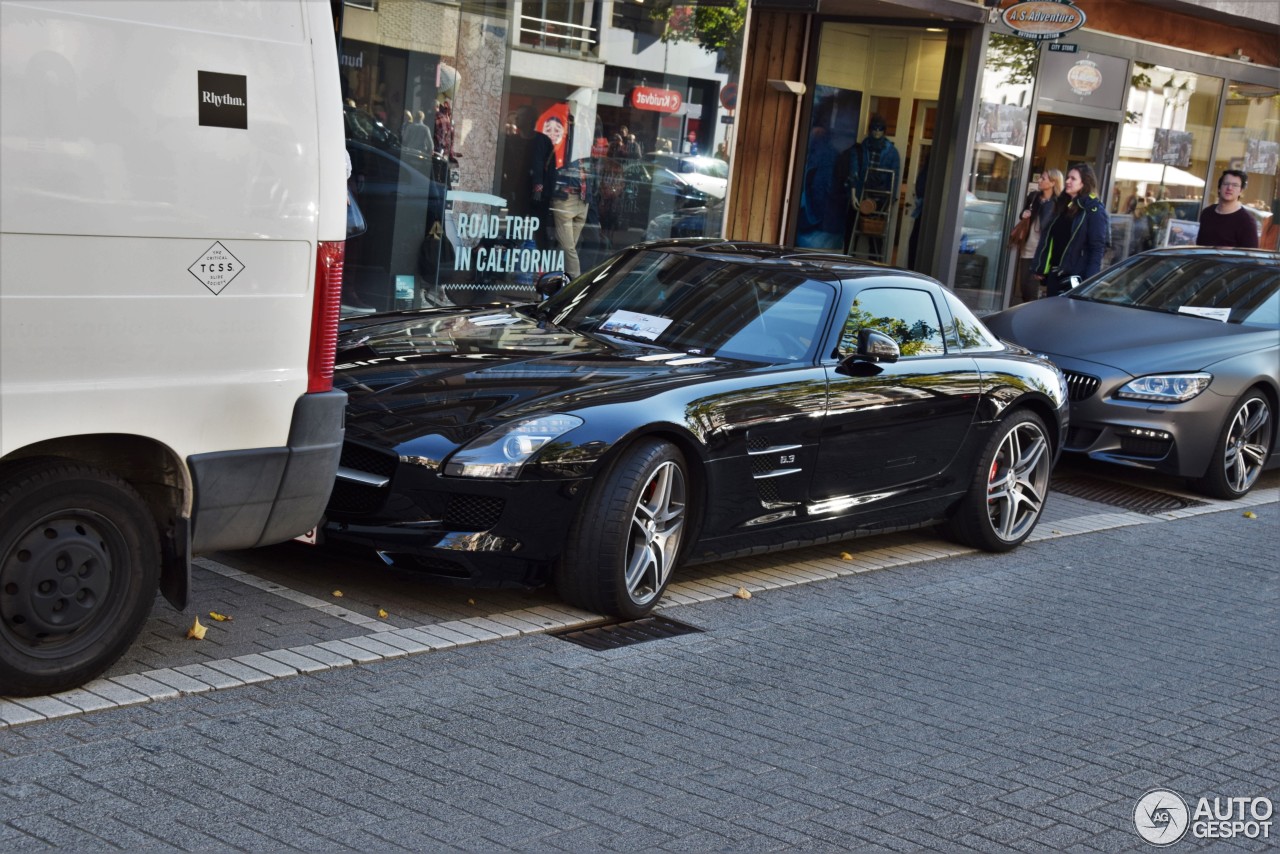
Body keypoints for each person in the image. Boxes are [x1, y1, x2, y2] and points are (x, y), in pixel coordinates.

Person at [1032, 163, 1108, 296]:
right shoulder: (1062, 205)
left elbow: (1097, 248)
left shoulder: (1093, 209)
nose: (1067, 181)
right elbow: (1048, 238)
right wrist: (1040, 266)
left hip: (1076, 277)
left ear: (1084, 182)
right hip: (1055, 273)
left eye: (1073, 179)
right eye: (1068, 177)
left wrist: (1089, 281)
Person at [1015, 169, 1063, 302]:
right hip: (1027, 246)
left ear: (1053, 182)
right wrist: (1024, 214)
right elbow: (1023, 214)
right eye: (1040, 177)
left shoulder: (1058, 203)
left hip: (1042, 251)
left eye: (1043, 178)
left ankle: (1032, 312)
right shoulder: (1034, 196)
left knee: (1032, 288)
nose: (1039, 180)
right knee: (1024, 286)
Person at [1197, 170, 1259, 248]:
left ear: (1241, 191)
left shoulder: (1247, 221)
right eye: (1226, 184)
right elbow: (1199, 245)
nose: (1229, 188)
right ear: (1219, 188)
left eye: (1235, 185)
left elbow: (1250, 254)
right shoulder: (1207, 213)